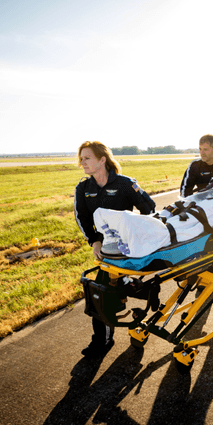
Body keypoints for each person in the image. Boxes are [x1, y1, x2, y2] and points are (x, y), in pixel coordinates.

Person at [94, 155, 213, 259]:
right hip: (210, 198)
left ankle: (136, 237)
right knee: (171, 212)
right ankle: (125, 232)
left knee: (185, 222)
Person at [74, 141, 155, 358]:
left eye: (87, 158)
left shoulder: (125, 183)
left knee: (103, 293)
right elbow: (82, 217)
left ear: (102, 160)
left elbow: (149, 209)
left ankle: (135, 297)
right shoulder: (83, 188)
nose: (82, 162)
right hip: (106, 252)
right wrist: (94, 241)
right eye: (81, 158)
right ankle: (104, 337)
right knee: (102, 293)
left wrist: (135, 236)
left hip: (128, 249)